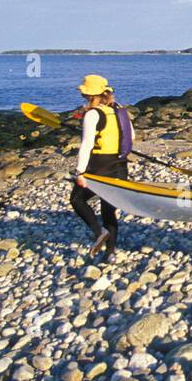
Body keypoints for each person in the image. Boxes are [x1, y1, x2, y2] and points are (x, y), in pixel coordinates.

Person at [70, 74, 134, 261]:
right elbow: (132, 136)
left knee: (77, 200)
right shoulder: (119, 110)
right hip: (120, 165)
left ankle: (98, 232)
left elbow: (87, 145)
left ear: (90, 95)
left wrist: (80, 172)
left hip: (99, 166)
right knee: (109, 209)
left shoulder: (92, 114)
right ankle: (110, 252)